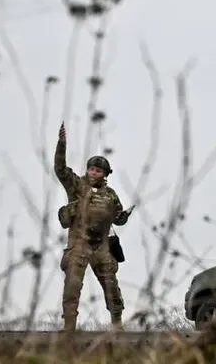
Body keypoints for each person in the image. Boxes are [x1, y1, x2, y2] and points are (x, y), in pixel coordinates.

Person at [53, 122, 135, 332]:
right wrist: (61, 144)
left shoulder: (110, 195)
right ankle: (69, 327)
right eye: (91, 169)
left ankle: (117, 325)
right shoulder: (77, 186)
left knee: (111, 287)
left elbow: (118, 218)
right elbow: (60, 170)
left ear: (104, 174)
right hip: (78, 244)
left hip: (101, 246)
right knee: (72, 287)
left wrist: (125, 216)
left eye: (98, 170)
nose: (93, 172)